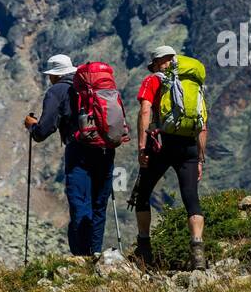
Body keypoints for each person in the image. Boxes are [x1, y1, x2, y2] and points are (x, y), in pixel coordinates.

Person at [24, 54, 116, 256]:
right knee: (99, 204)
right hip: (106, 148)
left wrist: (31, 126)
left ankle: (83, 257)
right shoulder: (93, 87)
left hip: (79, 151)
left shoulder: (57, 91)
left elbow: (43, 131)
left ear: (54, 75)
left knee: (80, 202)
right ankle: (96, 255)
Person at [133, 45, 207, 270]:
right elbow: (203, 125)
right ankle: (198, 255)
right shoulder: (192, 84)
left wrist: (142, 147)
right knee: (191, 199)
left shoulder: (153, 80)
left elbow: (145, 111)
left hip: (161, 144)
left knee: (142, 193)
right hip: (188, 147)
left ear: (156, 63)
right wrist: (200, 159)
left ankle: (144, 252)